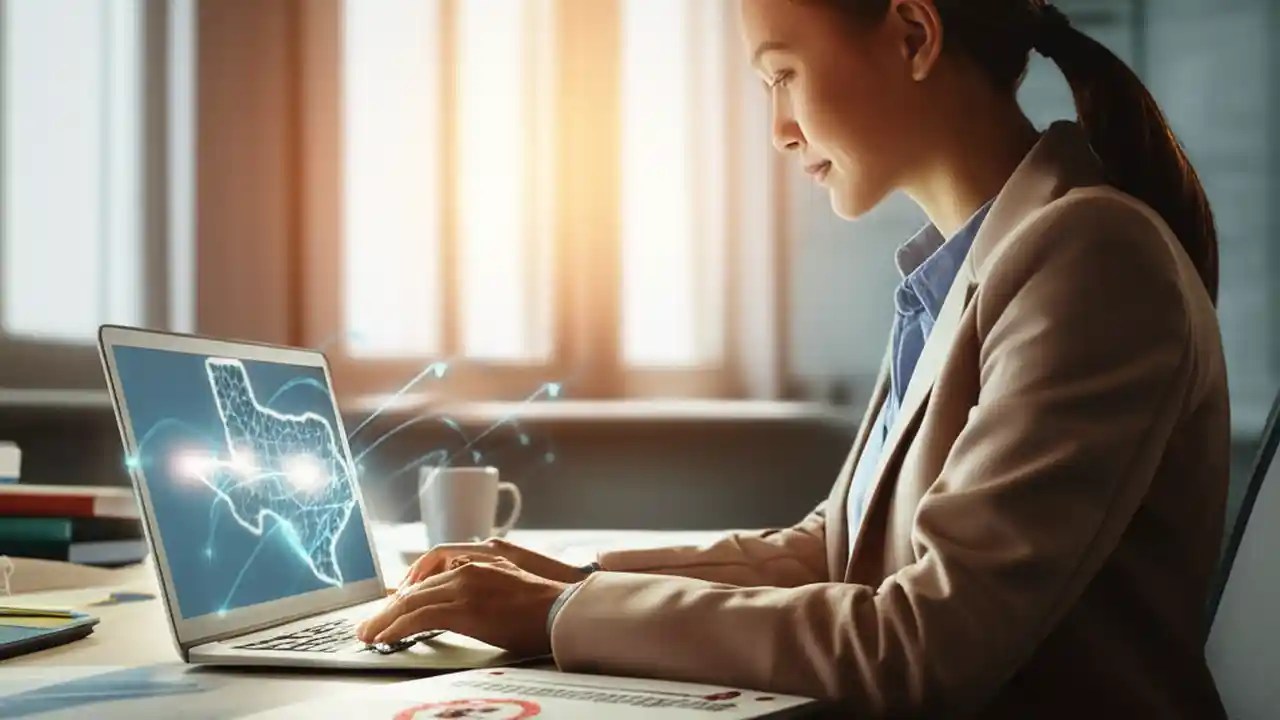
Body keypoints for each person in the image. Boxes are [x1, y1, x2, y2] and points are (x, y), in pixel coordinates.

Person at [357, 0, 1230, 715]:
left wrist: (558, 614)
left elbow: (921, 646)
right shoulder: (968, 268)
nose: (777, 128)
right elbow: (832, 552)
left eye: (783, 74)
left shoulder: (1088, 254)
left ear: (914, 36)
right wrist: (578, 579)